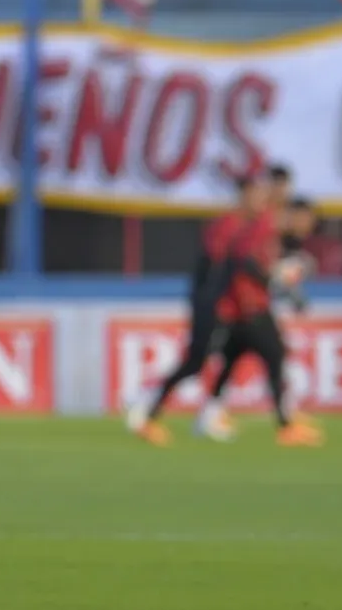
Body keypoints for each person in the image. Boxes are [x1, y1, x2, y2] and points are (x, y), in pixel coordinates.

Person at [126, 175, 270, 446]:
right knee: (196, 362)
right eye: (257, 195)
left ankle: (209, 413)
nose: (261, 202)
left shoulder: (247, 227)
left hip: (230, 307)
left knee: (235, 353)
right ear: (244, 195)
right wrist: (211, 303)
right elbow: (218, 266)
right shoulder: (228, 226)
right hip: (214, 305)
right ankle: (148, 408)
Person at [198, 195, 323, 447]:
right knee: (275, 355)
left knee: (233, 359)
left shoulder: (271, 231)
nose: (307, 227)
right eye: (307, 220)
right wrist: (272, 280)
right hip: (249, 307)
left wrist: (281, 283)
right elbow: (245, 261)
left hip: (240, 308)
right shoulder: (266, 227)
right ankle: (286, 425)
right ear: (296, 215)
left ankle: (209, 414)